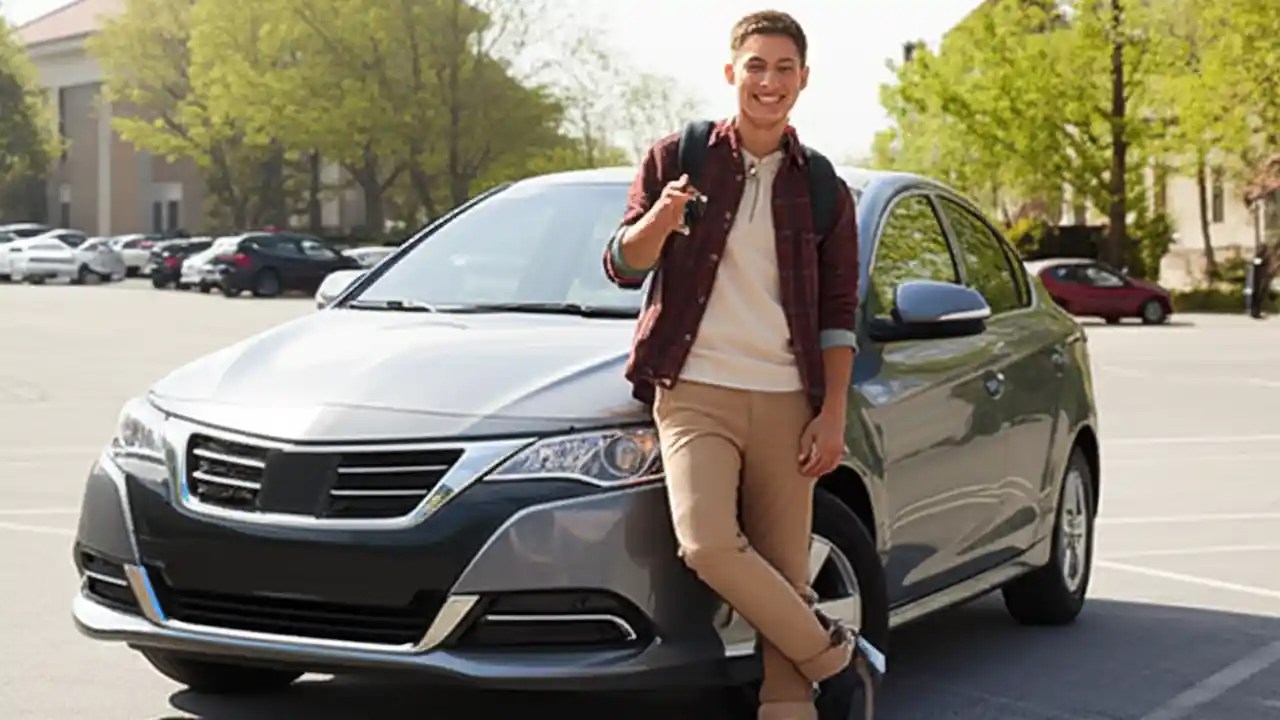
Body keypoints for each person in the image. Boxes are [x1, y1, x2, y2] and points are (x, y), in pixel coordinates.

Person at [601, 9, 869, 720]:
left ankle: (794, 702)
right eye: (755, 66)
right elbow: (621, 266)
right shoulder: (677, 157)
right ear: (731, 73)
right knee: (709, 544)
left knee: (784, 576)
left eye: (784, 68)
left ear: (803, 80)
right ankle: (837, 659)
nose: (769, 82)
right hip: (695, 393)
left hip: (787, 399)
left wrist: (833, 411)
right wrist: (658, 221)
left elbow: (840, 311)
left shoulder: (822, 190)